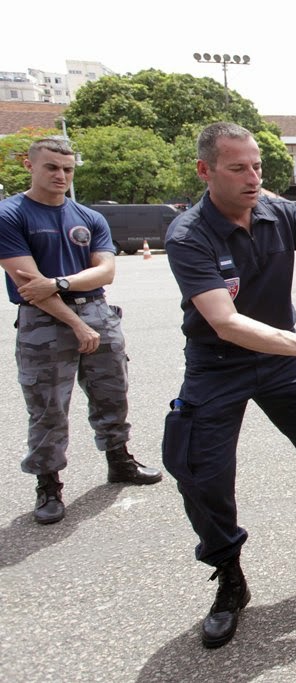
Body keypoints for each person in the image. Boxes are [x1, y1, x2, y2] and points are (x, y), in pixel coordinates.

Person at [162, 122, 296, 650]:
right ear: (205, 171)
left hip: (281, 364)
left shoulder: (280, 212)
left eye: (257, 166)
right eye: (238, 168)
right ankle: (229, 577)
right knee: (201, 473)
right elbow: (225, 321)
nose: (253, 177)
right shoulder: (189, 235)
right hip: (218, 363)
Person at [0, 138, 161, 526]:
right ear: (30, 165)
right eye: (51, 167)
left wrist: (60, 284)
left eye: (67, 169)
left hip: (96, 311)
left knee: (112, 394)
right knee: (48, 408)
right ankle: (48, 484)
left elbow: (105, 271)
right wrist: (73, 318)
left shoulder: (88, 217)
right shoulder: (11, 215)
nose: (60, 175)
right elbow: (28, 285)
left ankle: (119, 461)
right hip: (43, 322)